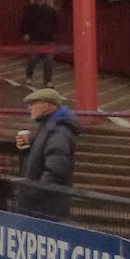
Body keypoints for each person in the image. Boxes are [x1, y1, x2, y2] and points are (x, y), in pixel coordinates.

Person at [17, 87, 78, 221]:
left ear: (46, 106)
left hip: (46, 206)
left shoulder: (58, 132)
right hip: (45, 204)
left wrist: (32, 193)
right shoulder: (49, 127)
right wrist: (28, 147)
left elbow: (56, 170)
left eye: (33, 104)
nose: (29, 108)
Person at [18, 0, 59, 87]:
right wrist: (25, 33)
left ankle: (48, 81)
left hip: (48, 40)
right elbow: (23, 22)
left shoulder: (51, 10)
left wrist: (53, 36)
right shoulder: (28, 9)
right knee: (32, 59)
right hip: (34, 39)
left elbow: (56, 25)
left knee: (49, 61)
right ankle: (28, 77)